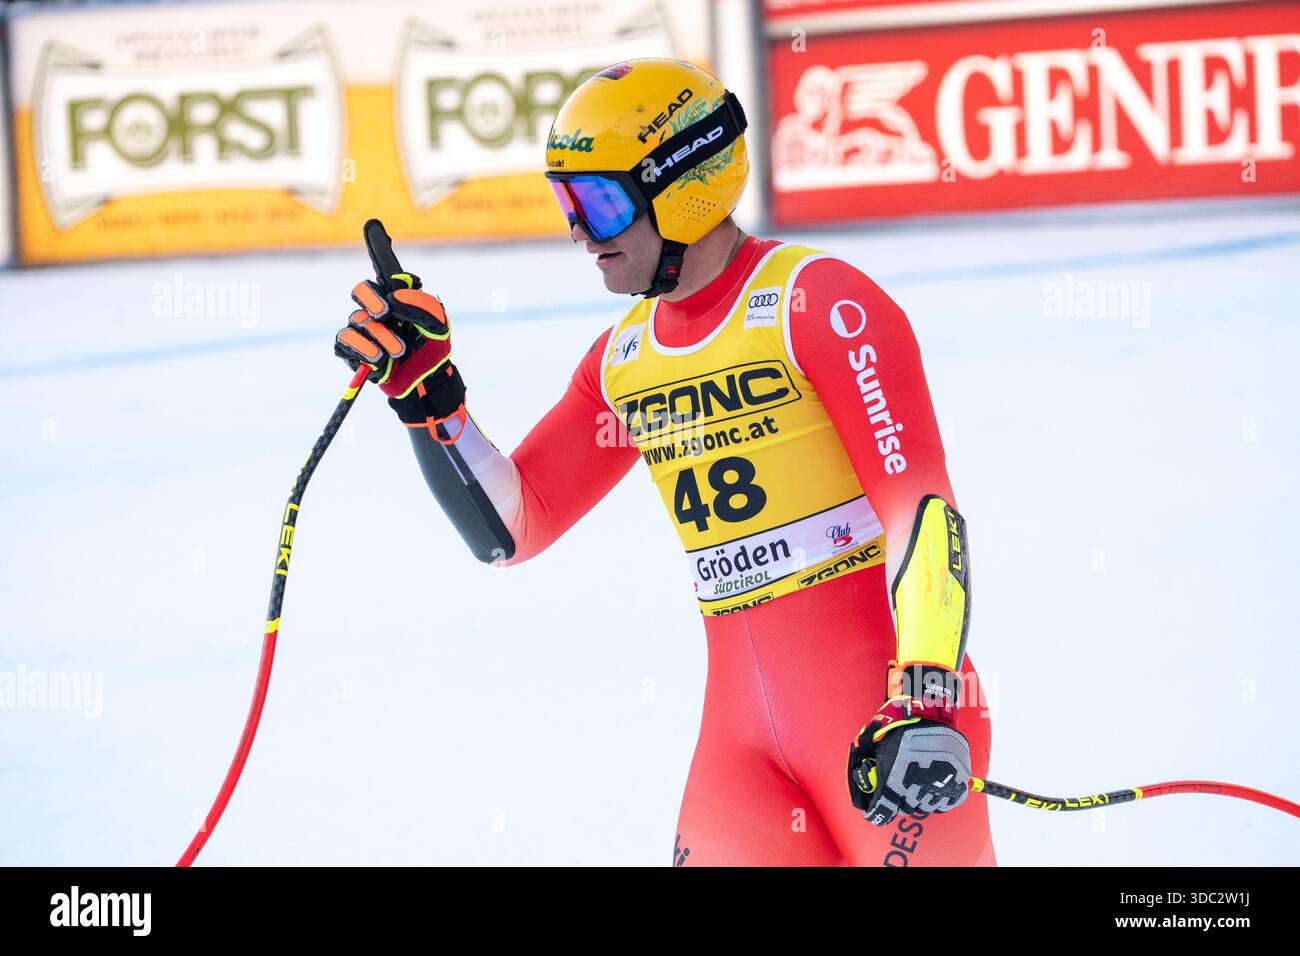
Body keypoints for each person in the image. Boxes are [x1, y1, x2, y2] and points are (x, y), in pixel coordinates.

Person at [333, 58, 995, 866]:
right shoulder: (624, 359)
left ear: (682, 184)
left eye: (599, 202)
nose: (578, 231)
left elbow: (922, 514)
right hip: (742, 753)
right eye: (565, 202)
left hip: (887, 726)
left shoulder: (817, 303)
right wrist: (431, 403)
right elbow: (513, 527)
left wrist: (925, 698)